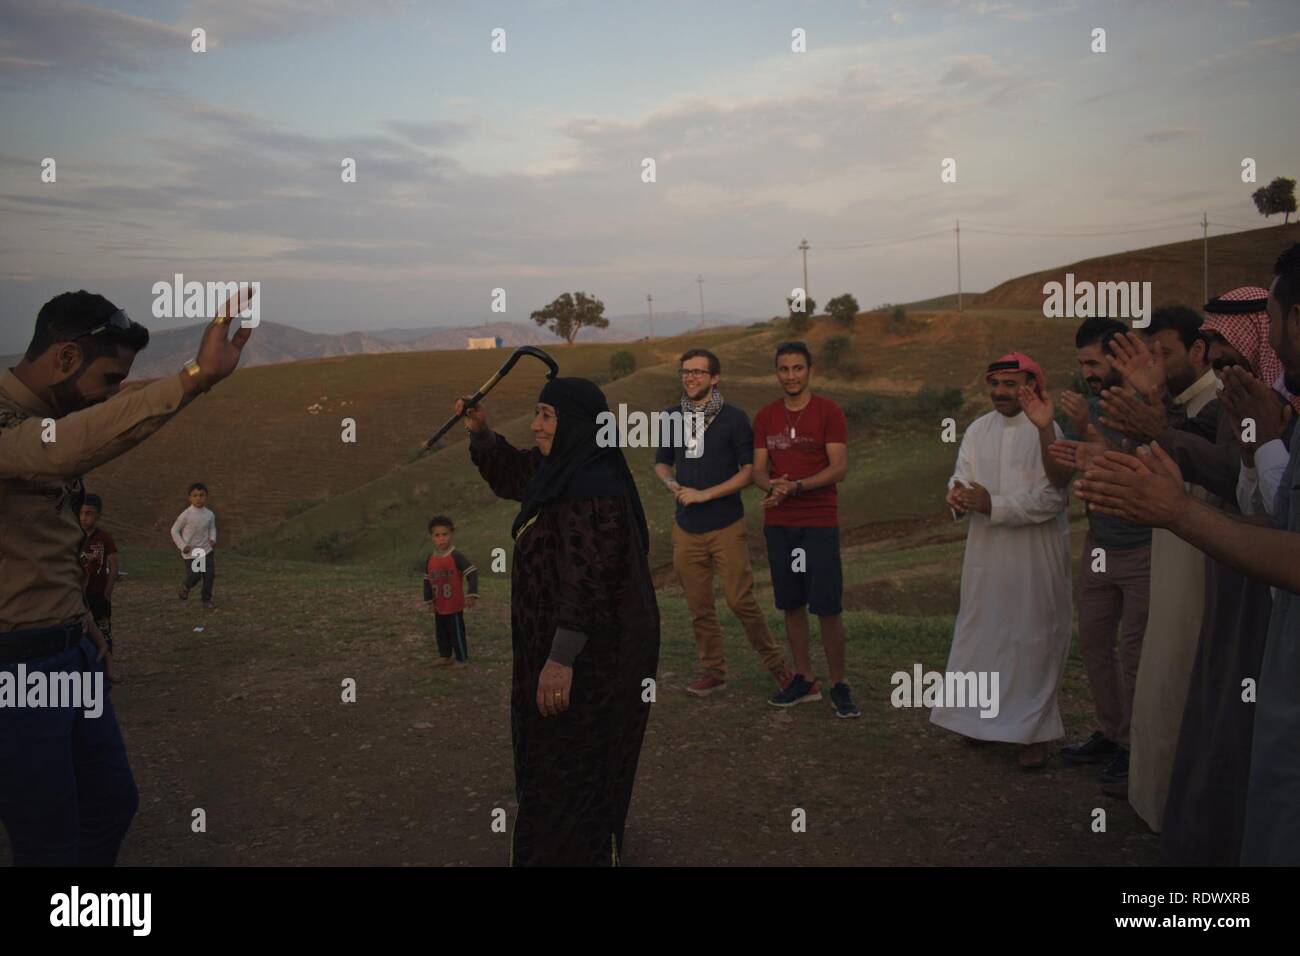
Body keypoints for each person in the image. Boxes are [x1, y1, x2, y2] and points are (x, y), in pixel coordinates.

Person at [0, 287, 254, 866]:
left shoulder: (52, 418)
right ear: (65, 358)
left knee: (112, 805)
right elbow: (63, 451)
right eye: (110, 378)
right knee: (47, 839)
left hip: (71, 650)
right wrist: (194, 376)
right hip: (14, 665)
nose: (112, 394)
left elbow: (41, 546)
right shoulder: (24, 428)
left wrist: (82, 621)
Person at [1077, 245, 1300, 865]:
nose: (1227, 355)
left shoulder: (1256, 404)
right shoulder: (1244, 404)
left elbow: (1245, 486)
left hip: (1244, 578)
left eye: (1231, 344)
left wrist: (1169, 443)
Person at [458, 378, 660, 866]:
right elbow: (514, 474)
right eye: (537, 414)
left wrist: (560, 659)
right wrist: (482, 433)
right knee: (552, 759)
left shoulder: (595, 492)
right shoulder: (563, 469)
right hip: (549, 648)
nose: (535, 425)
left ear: (574, 424)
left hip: (587, 660)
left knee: (572, 762)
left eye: (546, 415)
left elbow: (587, 581)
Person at [1106, 310, 1218, 832]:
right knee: (1162, 671)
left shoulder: (1222, 406)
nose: (1154, 364)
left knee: (1189, 676)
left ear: (1199, 351)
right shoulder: (1175, 406)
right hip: (1173, 561)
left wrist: (1153, 412)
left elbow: (1208, 465)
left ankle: (1188, 816)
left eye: (1163, 353)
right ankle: (1159, 805)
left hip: (1208, 568)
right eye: (1149, 354)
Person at [935, 353, 1071, 769]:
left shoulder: (1049, 431)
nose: (1000, 392)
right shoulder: (978, 429)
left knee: (1032, 638)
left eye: (1011, 384)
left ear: (1032, 385)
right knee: (984, 634)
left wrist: (993, 504)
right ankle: (977, 721)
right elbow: (962, 474)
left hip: (1035, 557)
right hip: (986, 555)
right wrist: (957, 496)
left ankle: (1032, 733)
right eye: (994, 383)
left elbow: (1054, 498)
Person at [652, 348, 792, 697]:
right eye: (685, 371)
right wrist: (673, 486)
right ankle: (714, 672)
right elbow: (662, 463)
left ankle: (779, 667)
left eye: (698, 372)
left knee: (739, 601)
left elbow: (748, 472)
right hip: (686, 528)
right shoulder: (671, 416)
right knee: (699, 606)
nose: (690, 377)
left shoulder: (733, 418)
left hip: (726, 524)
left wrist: (705, 494)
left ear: (714, 378)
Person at [1055, 318, 1152, 796]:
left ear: (1119, 356)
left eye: (1094, 362)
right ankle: (1111, 733)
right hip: (1099, 544)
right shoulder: (1091, 405)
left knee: (1135, 654)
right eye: (1082, 365)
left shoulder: (1149, 406)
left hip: (1141, 549)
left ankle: (1136, 748)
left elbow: (1140, 464)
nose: (1088, 373)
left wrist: (1088, 434)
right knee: (1095, 645)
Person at [751, 342, 857, 717]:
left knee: (827, 606)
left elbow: (838, 467)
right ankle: (804, 679)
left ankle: (839, 683)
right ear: (776, 373)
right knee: (791, 603)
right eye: (784, 369)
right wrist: (773, 487)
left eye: (798, 368)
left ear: (809, 371)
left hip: (818, 523)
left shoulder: (828, 411)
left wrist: (795, 486)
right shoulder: (765, 416)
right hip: (780, 526)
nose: (791, 375)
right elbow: (759, 470)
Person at [422, 515, 478, 667]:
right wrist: (429, 601)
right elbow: (427, 580)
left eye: (445, 534)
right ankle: (445, 656)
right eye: (437, 535)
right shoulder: (430, 558)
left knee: (456, 633)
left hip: (453, 605)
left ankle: (461, 658)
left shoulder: (456, 555)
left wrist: (472, 593)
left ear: (451, 534)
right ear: (431, 537)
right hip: (439, 605)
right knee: (441, 632)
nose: (442, 538)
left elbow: (472, 572)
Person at [78, 493, 118, 654]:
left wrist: (108, 591)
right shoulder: (73, 537)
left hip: (98, 593)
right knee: (81, 632)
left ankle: (109, 666)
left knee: (104, 630)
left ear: (98, 515)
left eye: (89, 513)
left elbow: (113, 565)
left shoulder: (104, 538)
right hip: (78, 594)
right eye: (81, 513)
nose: (84, 517)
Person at [171, 482, 217, 610]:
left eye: (201, 495)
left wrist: (213, 539)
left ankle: (206, 600)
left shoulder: (209, 514)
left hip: (206, 550)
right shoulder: (186, 514)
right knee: (196, 575)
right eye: (195, 495)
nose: (198, 498)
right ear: (190, 498)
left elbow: (212, 528)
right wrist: (182, 545)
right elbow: (174, 530)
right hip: (192, 552)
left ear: (206, 497)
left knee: (209, 575)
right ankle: (186, 587)